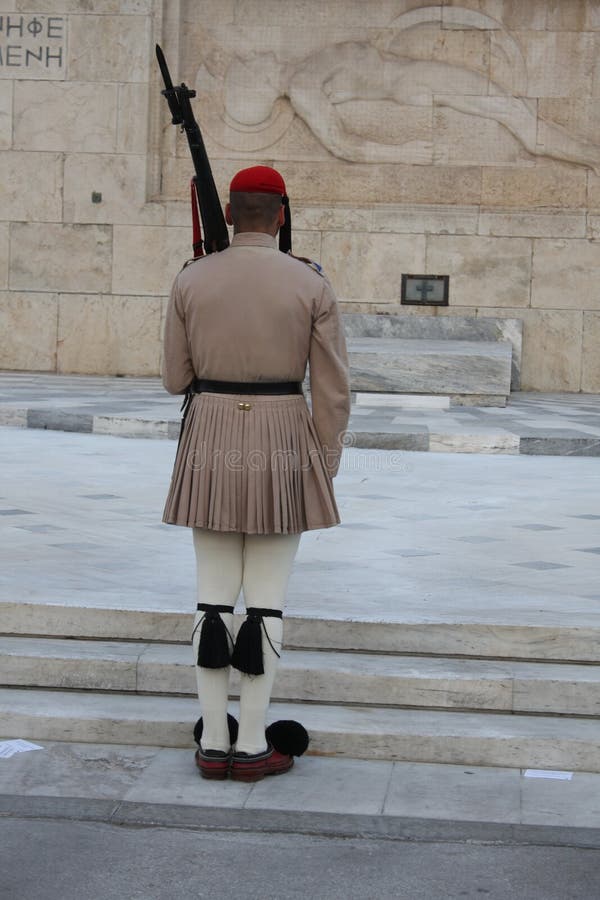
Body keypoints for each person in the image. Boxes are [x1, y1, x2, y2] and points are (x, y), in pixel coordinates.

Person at [161, 165, 351, 782]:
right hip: (282, 436)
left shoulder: (191, 278)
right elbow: (333, 391)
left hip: (210, 435)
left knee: (212, 598)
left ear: (229, 212)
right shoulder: (310, 282)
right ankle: (251, 747)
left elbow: (174, 379)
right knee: (266, 605)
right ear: (281, 215)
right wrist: (323, 464)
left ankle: (213, 742)